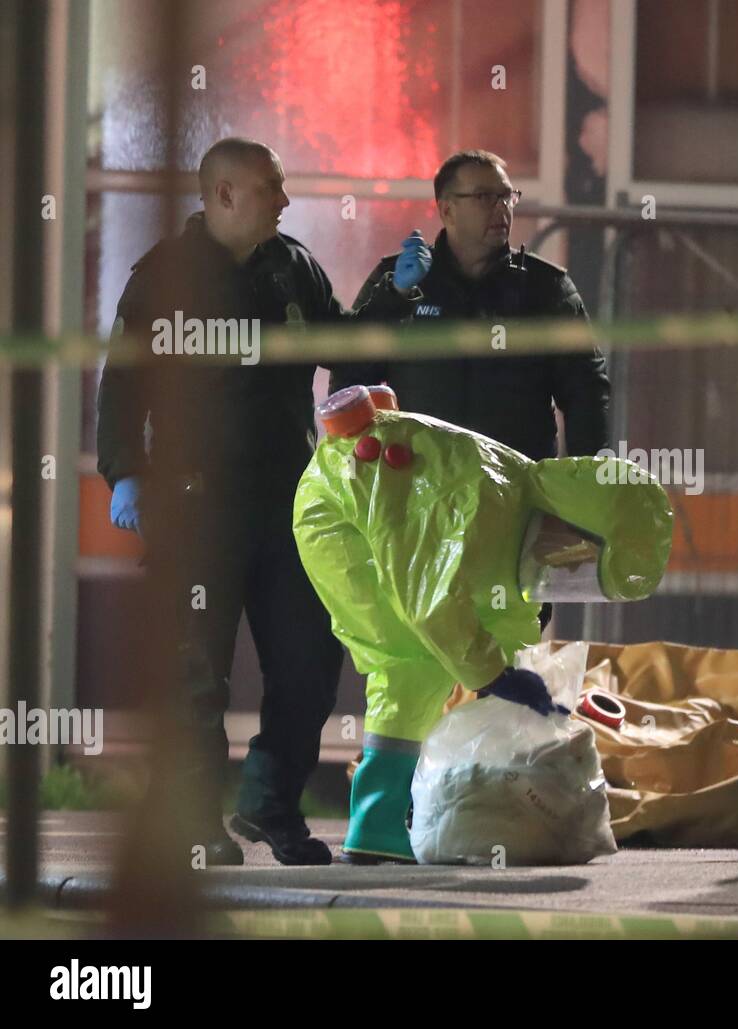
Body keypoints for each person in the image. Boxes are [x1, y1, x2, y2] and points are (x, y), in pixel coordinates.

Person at [97, 137, 415, 866]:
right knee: (192, 677)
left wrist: (390, 293)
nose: (284, 199)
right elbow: (123, 384)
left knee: (309, 661)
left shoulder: (291, 266)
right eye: (271, 187)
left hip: (288, 506)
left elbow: (348, 350)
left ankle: (269, 806)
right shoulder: (163, 278)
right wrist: (126, 471)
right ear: (225, 195)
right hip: (194, 509)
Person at [294, 385, 671, 863]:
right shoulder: (483, 503)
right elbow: (429, 600)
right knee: (410, 664)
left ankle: (393, 817)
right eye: (584, 565)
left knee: (430, 663)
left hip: (367, 498)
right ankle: (378, 823)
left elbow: (499, 598)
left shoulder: (521, 501)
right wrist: (496, 676)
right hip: (337, 511)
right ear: (580, 530)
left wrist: (510, 668)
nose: (570, 577)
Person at [331, 149, 610, 462]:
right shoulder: (399, 281)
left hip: (517, 490)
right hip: (419, 486)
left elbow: (587, 395)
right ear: (447, 210)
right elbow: (350, 375)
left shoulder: (546, 289)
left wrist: (584, 486)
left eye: (507, 197)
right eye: (484, 197)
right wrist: (359, 469)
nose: (501, 208)